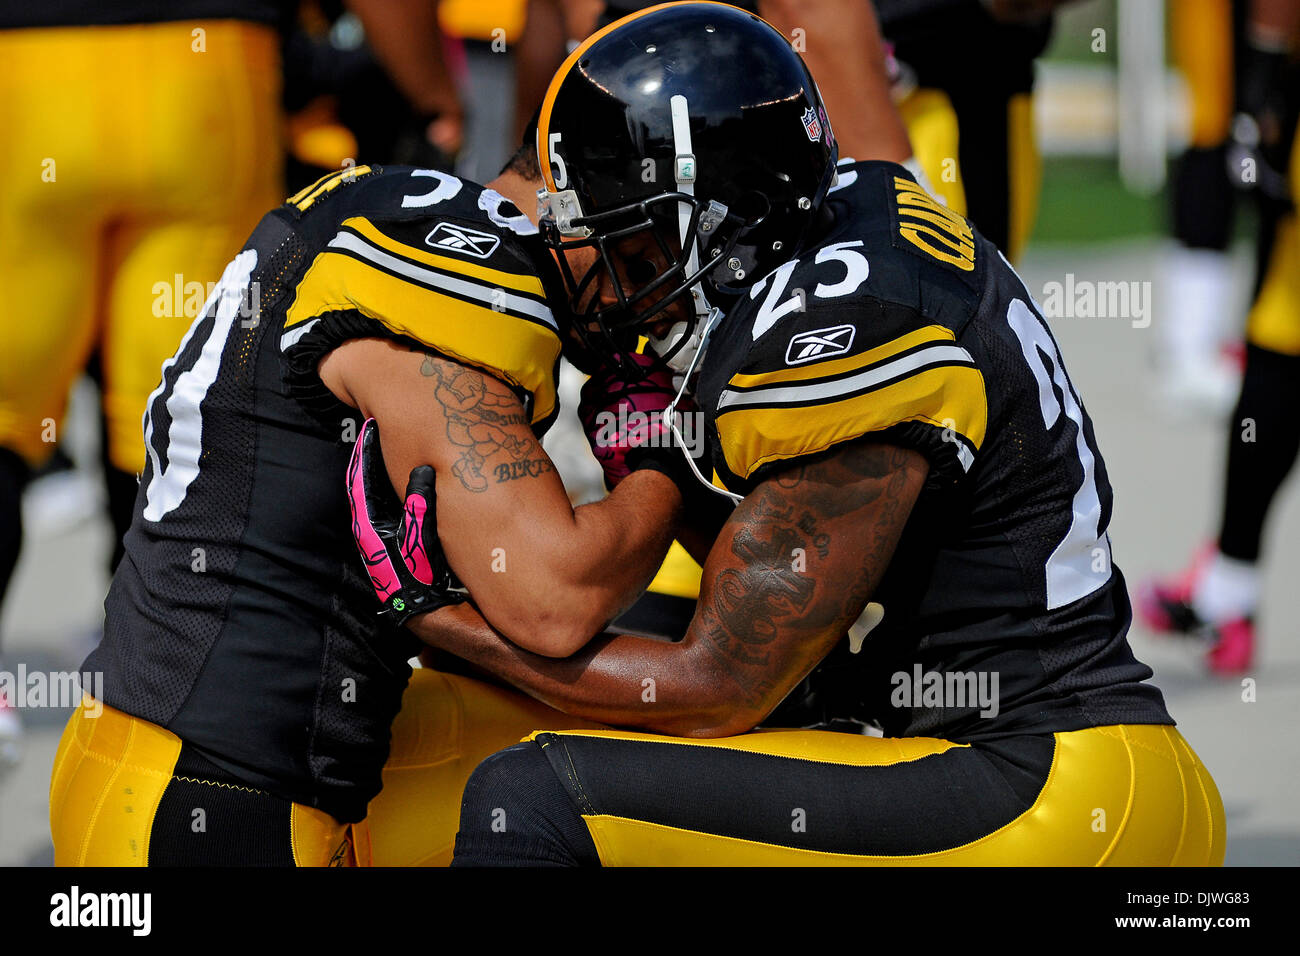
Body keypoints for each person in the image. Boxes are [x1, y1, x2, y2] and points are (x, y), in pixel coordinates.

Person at [362, 2, 1224, 865]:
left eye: (631, 242)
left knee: (540, 799)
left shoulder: (850, 323)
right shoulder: (838, 225)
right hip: (955, 743)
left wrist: (436, 617)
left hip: (1052, 787)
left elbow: (717, 684)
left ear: (717, 221)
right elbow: (793, 574)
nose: (614, 279)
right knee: (435, 741)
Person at [48, 147, 682, 865]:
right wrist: (654, 452)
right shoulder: (454, 286)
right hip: (217, 802)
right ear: (586, 206)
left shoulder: (384, 198)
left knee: (610, 764)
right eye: (641, 261)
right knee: (657, 778)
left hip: (149, 745)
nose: (661, 301)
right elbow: (556, 599)